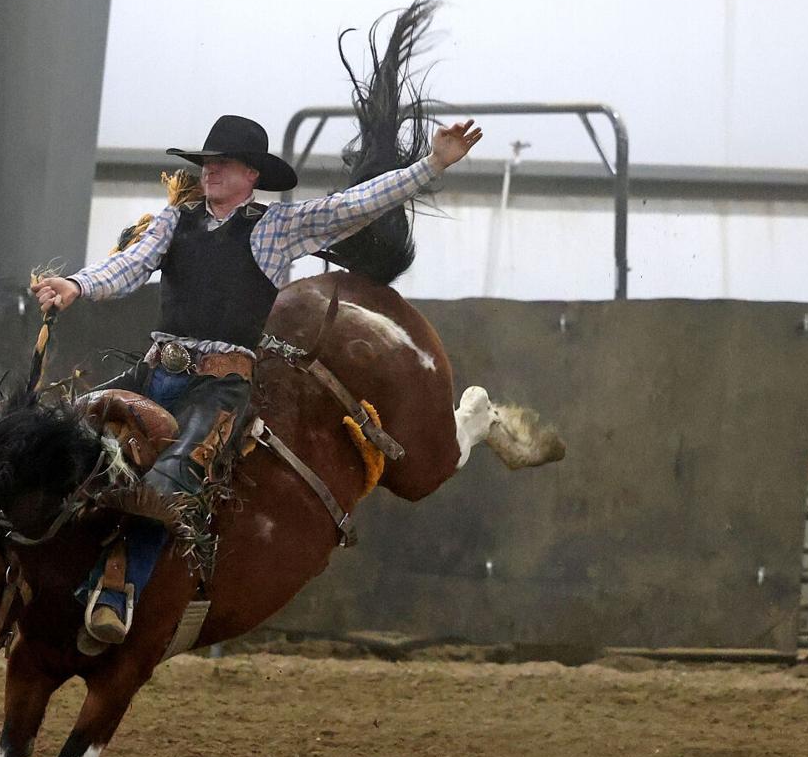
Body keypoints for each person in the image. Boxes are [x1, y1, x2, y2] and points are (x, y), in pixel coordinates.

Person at [31, 113, 482, 646]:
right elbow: (128, 266)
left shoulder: (274, 228)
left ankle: (117, 591)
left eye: (223, 165)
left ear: (251, 176)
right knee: (60, 433)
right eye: (207, 164)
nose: (211, 172)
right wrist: (76, 286)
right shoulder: (174, 222)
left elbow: (354, 206)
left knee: (170, 479)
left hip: (220, 388)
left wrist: (430, 165)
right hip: (155, 370)